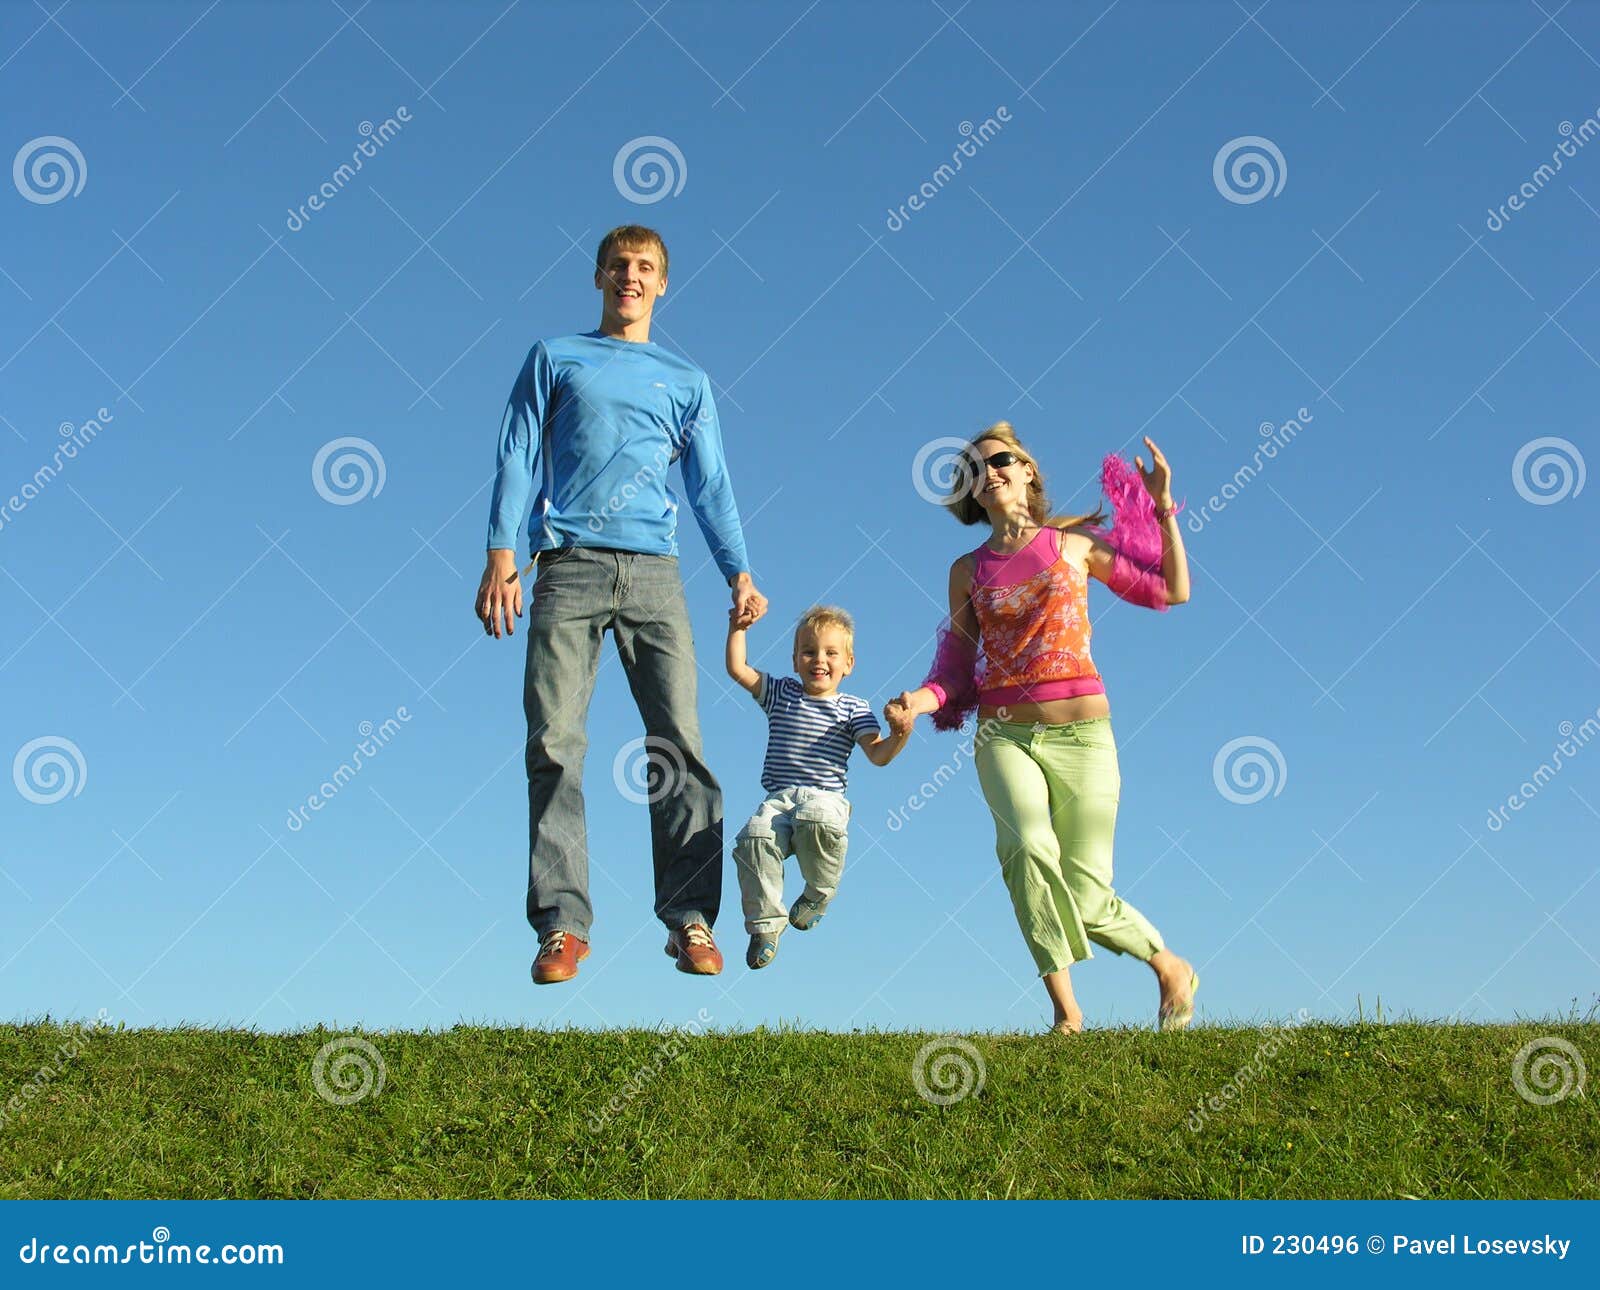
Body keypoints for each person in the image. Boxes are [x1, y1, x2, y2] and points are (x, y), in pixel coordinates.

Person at [475, 224, 767, 985]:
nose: (630, 278)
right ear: (599, 277)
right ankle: (562, 927)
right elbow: (515, 449)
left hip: (655, 575)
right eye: (618, 266)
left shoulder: (687, 380)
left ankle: (692, 917)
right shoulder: (556, 357)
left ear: (662, 284)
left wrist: (738, 571)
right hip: (566, 568)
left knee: (680, 743)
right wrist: (502, 553)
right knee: (555, 744)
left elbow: (710, 485)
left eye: (645, 269)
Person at [885, 423, 1198, 1034]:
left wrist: (1162, 506)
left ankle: (1169, 966)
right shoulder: (967, 571)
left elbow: (1175, 591)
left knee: (1085, 895)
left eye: (999, 460)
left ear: (1028, 470)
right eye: (974, 470)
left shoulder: (1073, 545)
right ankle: (1066, 1013)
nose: (989, 473)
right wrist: (918, 703)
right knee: (1026, 849)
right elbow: (955, 668)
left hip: (1085, 739)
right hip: (1005, 736)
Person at [725, 605, 910, 969]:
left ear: (848, 663)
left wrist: (900, 734)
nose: (819, 660)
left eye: (830, 653)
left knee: (816, 819)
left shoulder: (854, 709)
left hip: (826, 800)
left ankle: (818, 894)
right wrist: (737, 628)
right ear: (794, 660)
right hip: (778, 800)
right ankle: (765, 925)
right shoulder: (781, 693)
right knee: (753, 837)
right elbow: (738, 668)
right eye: (809, 651)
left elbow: (878, 755)